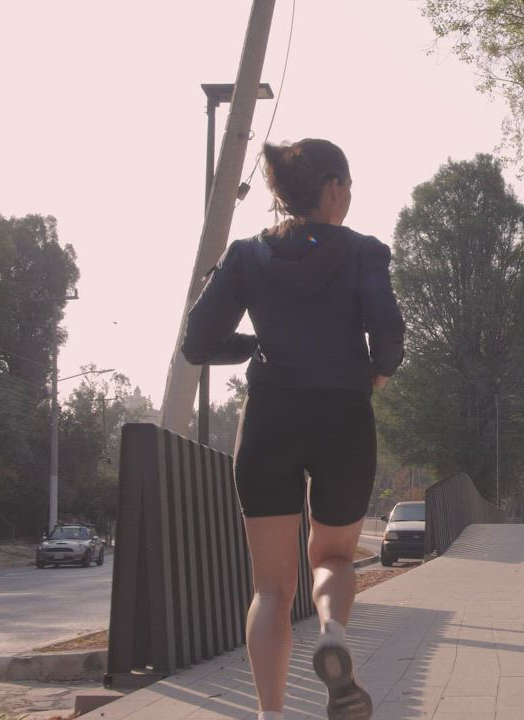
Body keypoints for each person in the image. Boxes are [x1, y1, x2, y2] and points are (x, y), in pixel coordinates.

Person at [181, 138, 404, 720]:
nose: (350, 197)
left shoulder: (245, 255)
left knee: (272, 589)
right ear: (332, 187)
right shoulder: (364, 252)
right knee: (333, 557)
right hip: (342, 419)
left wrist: (258, 344)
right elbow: (388, 332)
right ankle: (332, 632)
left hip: (269, 421)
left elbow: (198, 342)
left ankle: (271, 714)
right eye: (349, 185)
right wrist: (377, 370)